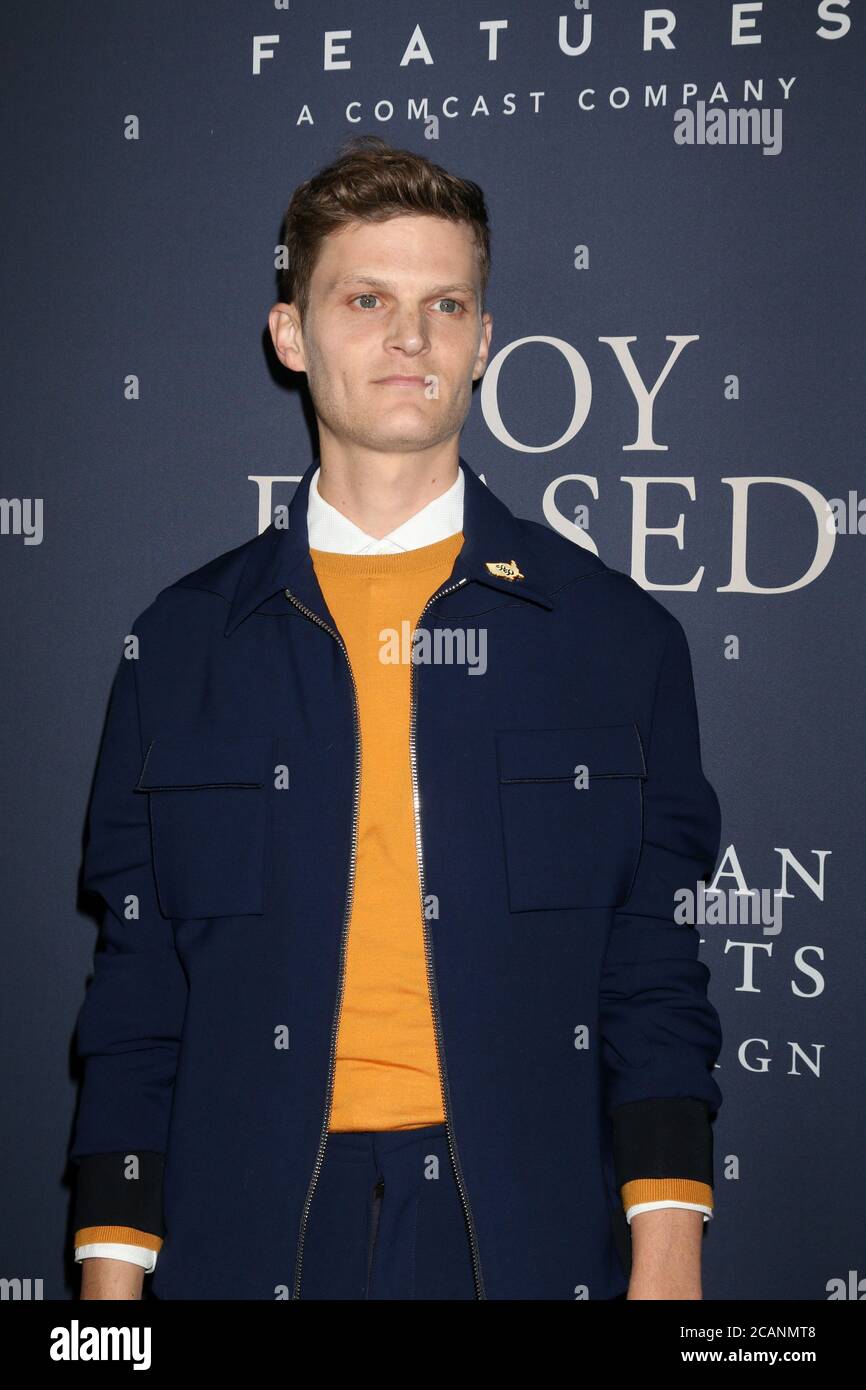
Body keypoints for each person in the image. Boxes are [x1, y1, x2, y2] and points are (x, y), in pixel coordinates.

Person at [71, 134, 722, 1301]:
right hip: (246, 1232)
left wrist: (666, 1269)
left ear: (481, 340)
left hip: (521, 1237)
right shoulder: (175, 647)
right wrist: (110, 1301)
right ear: (291, 334)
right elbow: (137, 990)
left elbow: (651, 971)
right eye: (365, 298)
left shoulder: (616, 639)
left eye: (443, 304)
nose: (408, 337)